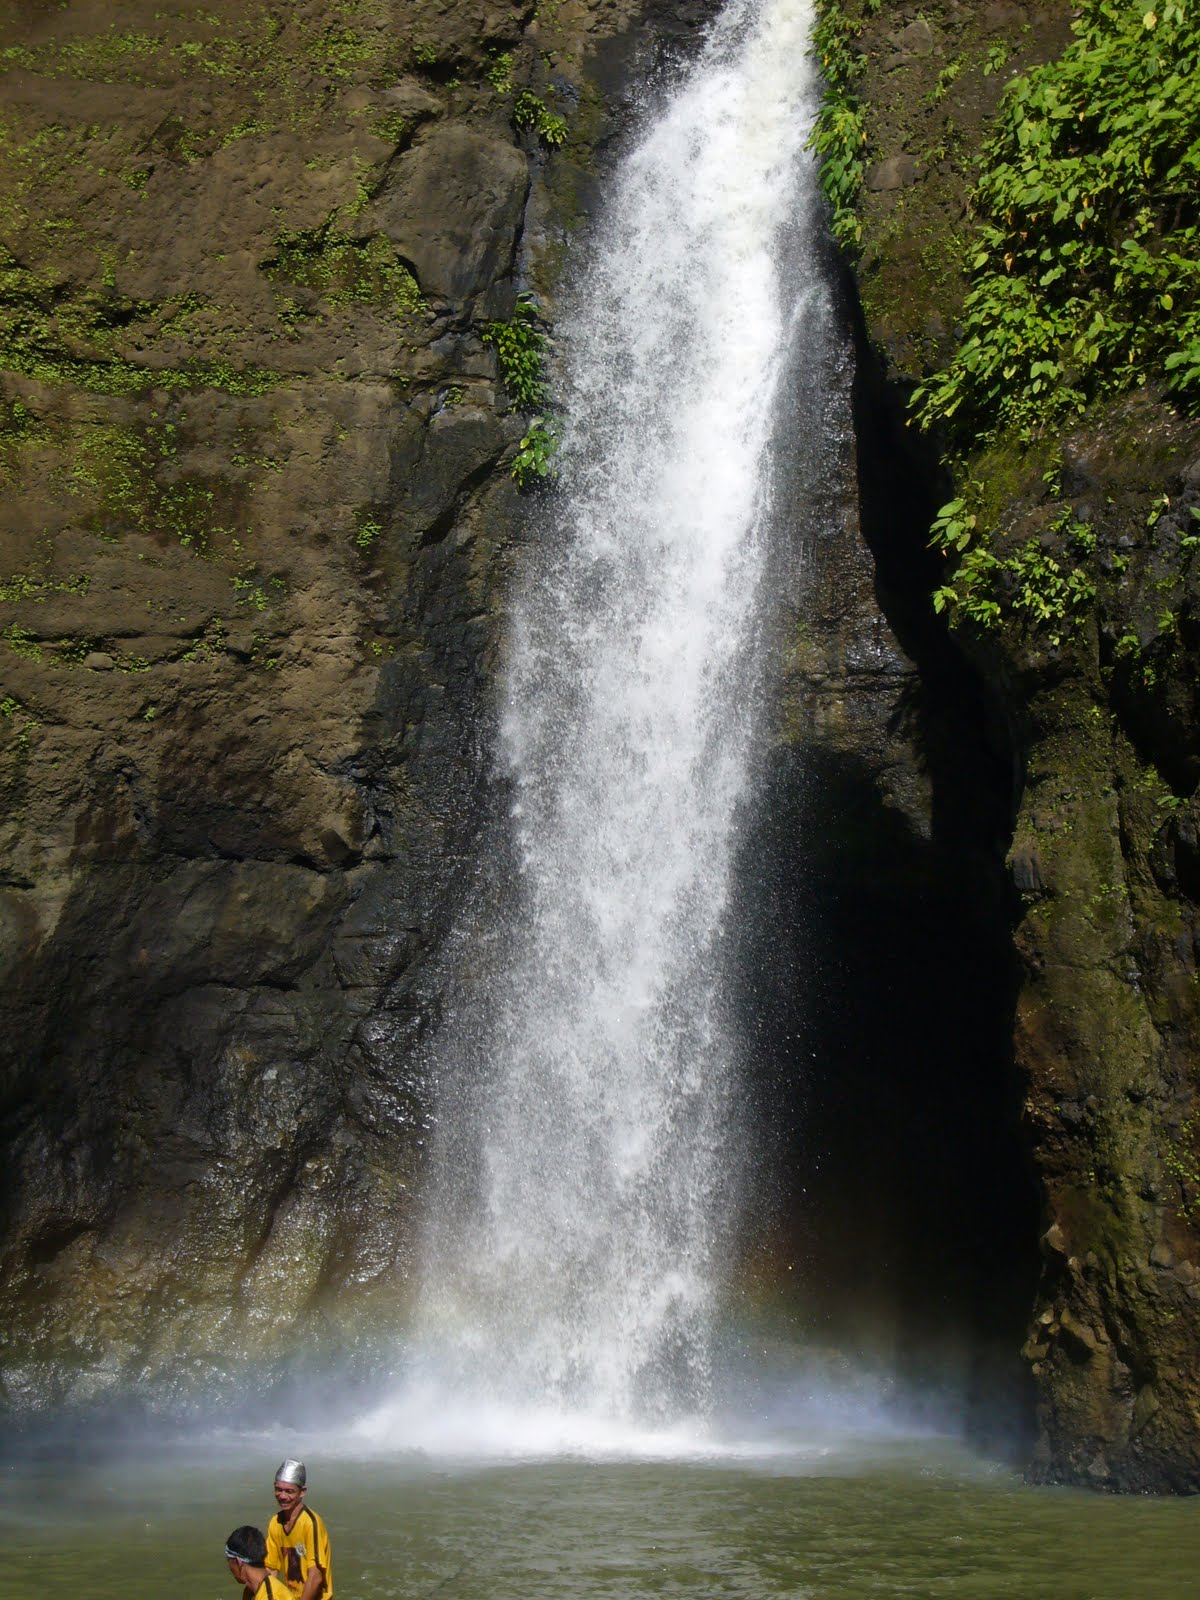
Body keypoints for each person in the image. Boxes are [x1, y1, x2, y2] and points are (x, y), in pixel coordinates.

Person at [265, 1458, 333, 1600]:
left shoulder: (310, 1523)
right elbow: (271, 1568)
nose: (282, 1496)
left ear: (302, 1492)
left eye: (289, 1491)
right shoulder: (275, 1523)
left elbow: (316, 1575)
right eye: (278, 1490)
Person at [224, 1526, 291, 1600]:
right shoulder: (252, 1591)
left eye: (228, 1560)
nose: (229, 1567)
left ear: (238, 1562)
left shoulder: (271, 1597)